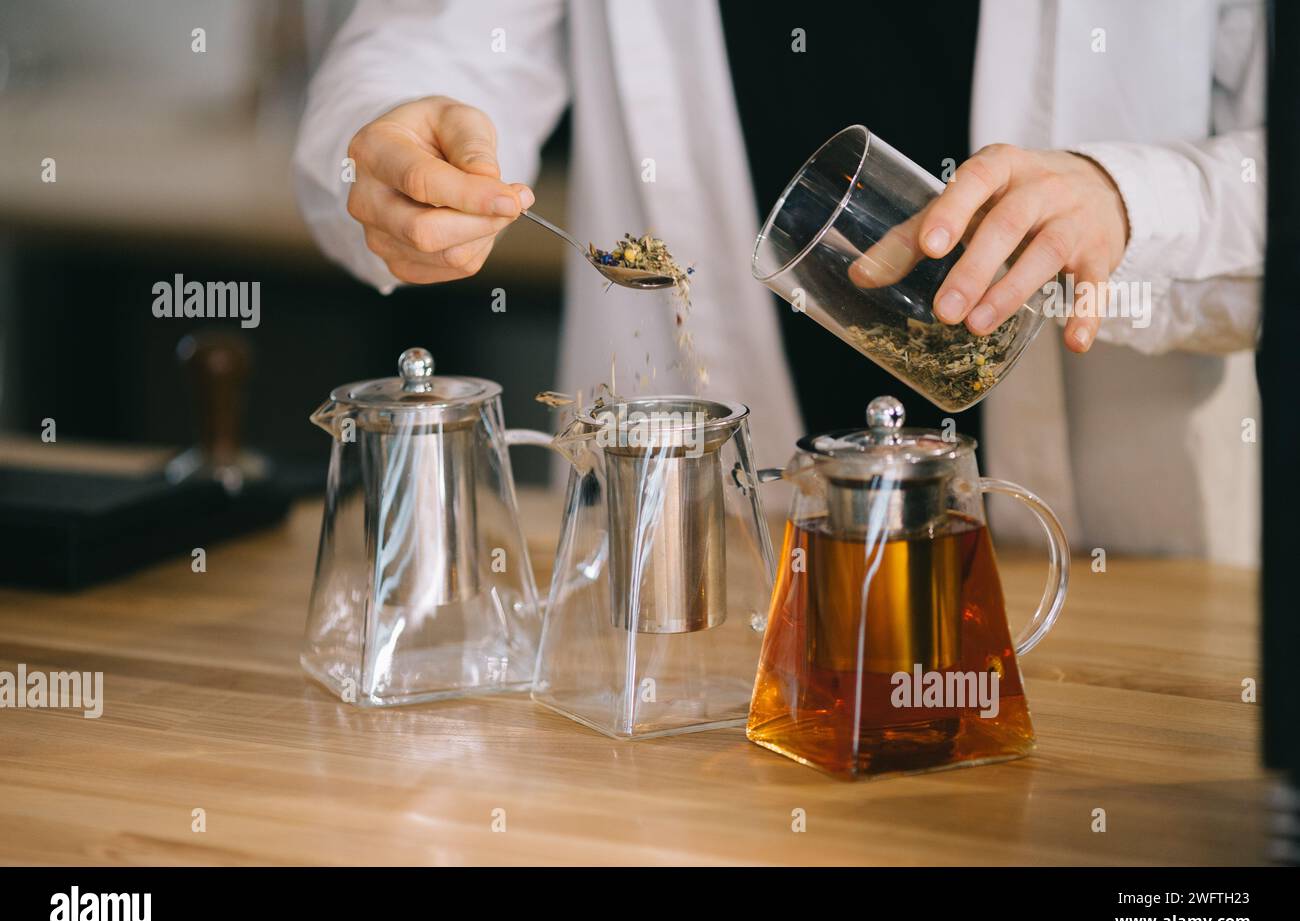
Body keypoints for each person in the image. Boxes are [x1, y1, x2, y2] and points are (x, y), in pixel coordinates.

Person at [295, 0, 1264, 562]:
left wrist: (1133, 199)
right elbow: (430, 41)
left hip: (1130, 573)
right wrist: (389, 144)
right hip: (702, 579)